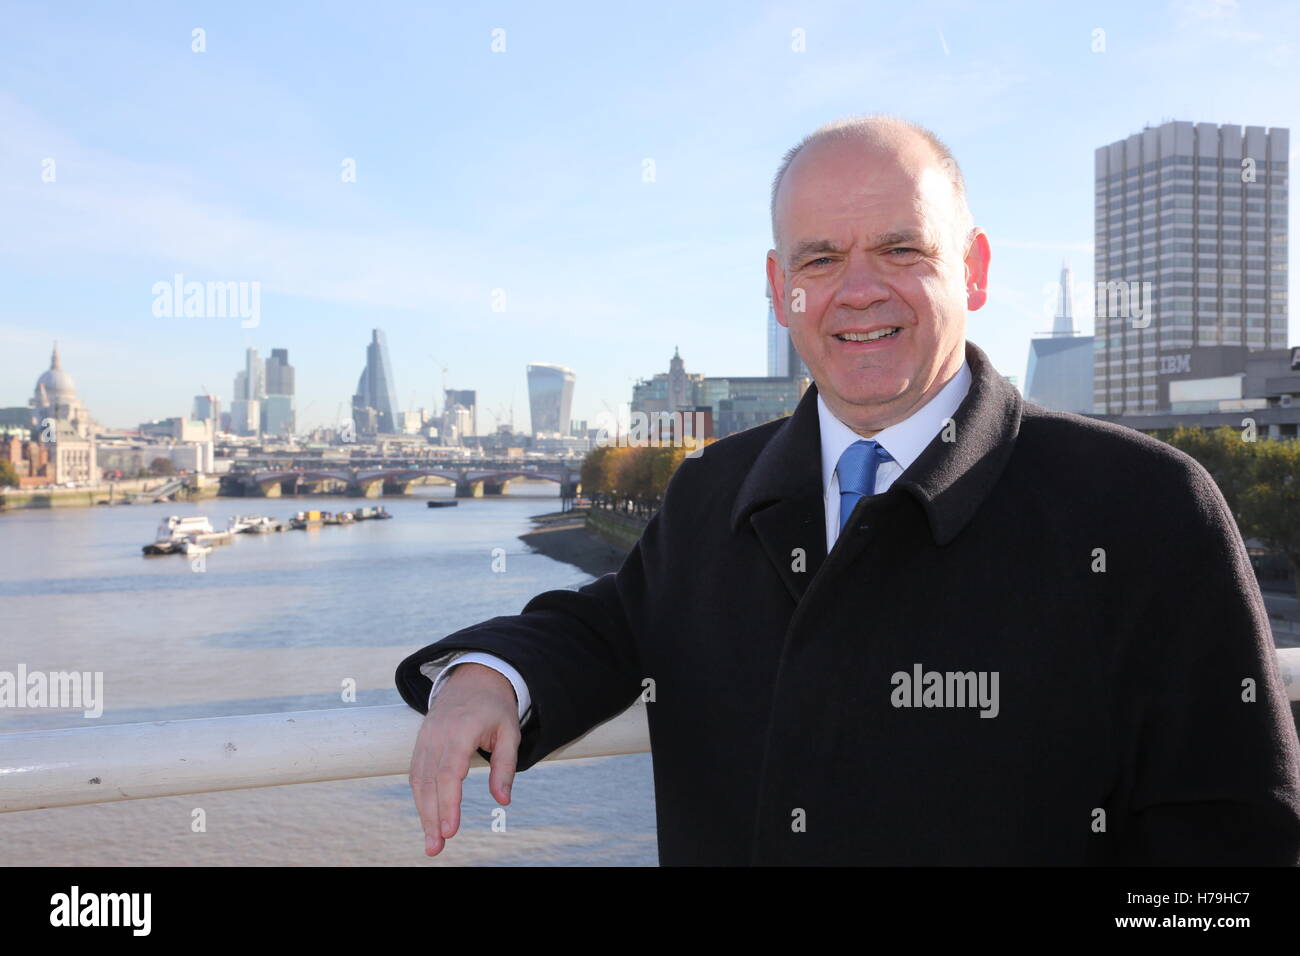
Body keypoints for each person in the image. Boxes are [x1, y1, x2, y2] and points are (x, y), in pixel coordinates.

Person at [395, 115, 1300, 865]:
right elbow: (614, 623)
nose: (858, 291)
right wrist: (489, 676)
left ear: (976, 269)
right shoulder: (718, 485)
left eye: (902, 248)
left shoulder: (1143, 507)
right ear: (780, 288)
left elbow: (1231, 846)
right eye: (821, 260)